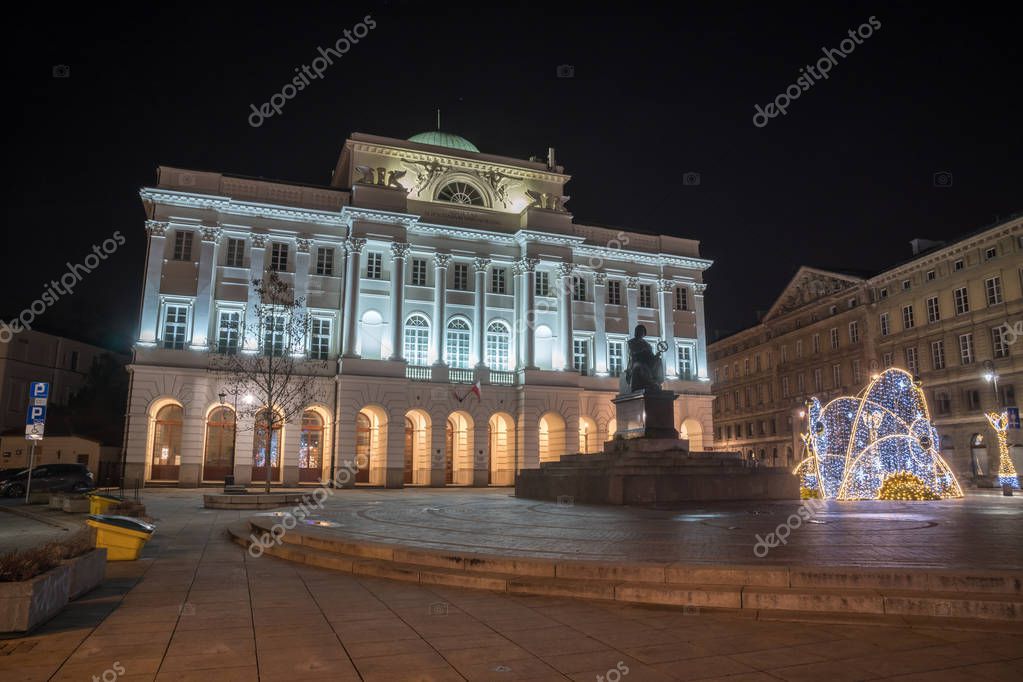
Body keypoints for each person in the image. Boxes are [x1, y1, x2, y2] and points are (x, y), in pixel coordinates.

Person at [622, 324, 665, 392]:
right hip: (636, 362)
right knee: (641, 366)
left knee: (658, 361)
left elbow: (651, 356)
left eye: (641, 331)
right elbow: (632, 352)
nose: (640, 333)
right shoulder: (631, 342)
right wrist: (643, 351)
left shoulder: (647, 344)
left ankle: (657, 381)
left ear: (644, 334)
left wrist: (656, 356)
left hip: (647, 362)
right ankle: (650, 382)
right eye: (638, 331)